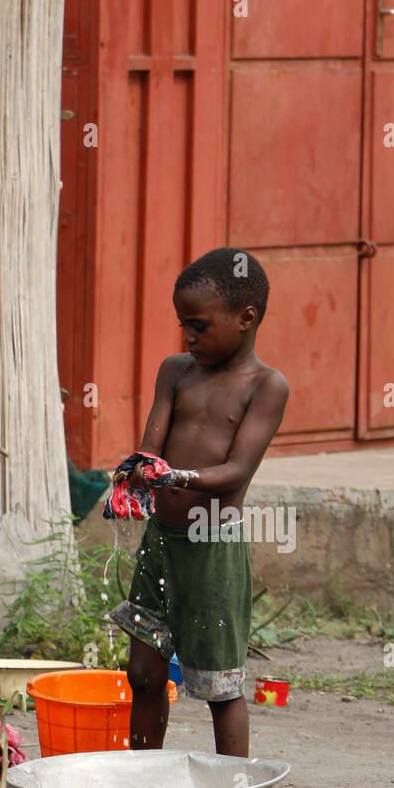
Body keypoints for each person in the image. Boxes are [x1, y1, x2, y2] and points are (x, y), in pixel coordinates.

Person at [108, 247, 288, 756]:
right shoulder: (175, 371)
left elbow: (236, 472)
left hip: (213, 549)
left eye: (199, 326)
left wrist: (173, 475)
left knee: (218, 685)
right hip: (162, 543)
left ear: (246, 318)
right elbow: (151, 448)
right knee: (142, 672)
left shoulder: (267, 386)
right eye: (182, 325)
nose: (188, 336)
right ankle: (146, 777)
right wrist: (136, 474)